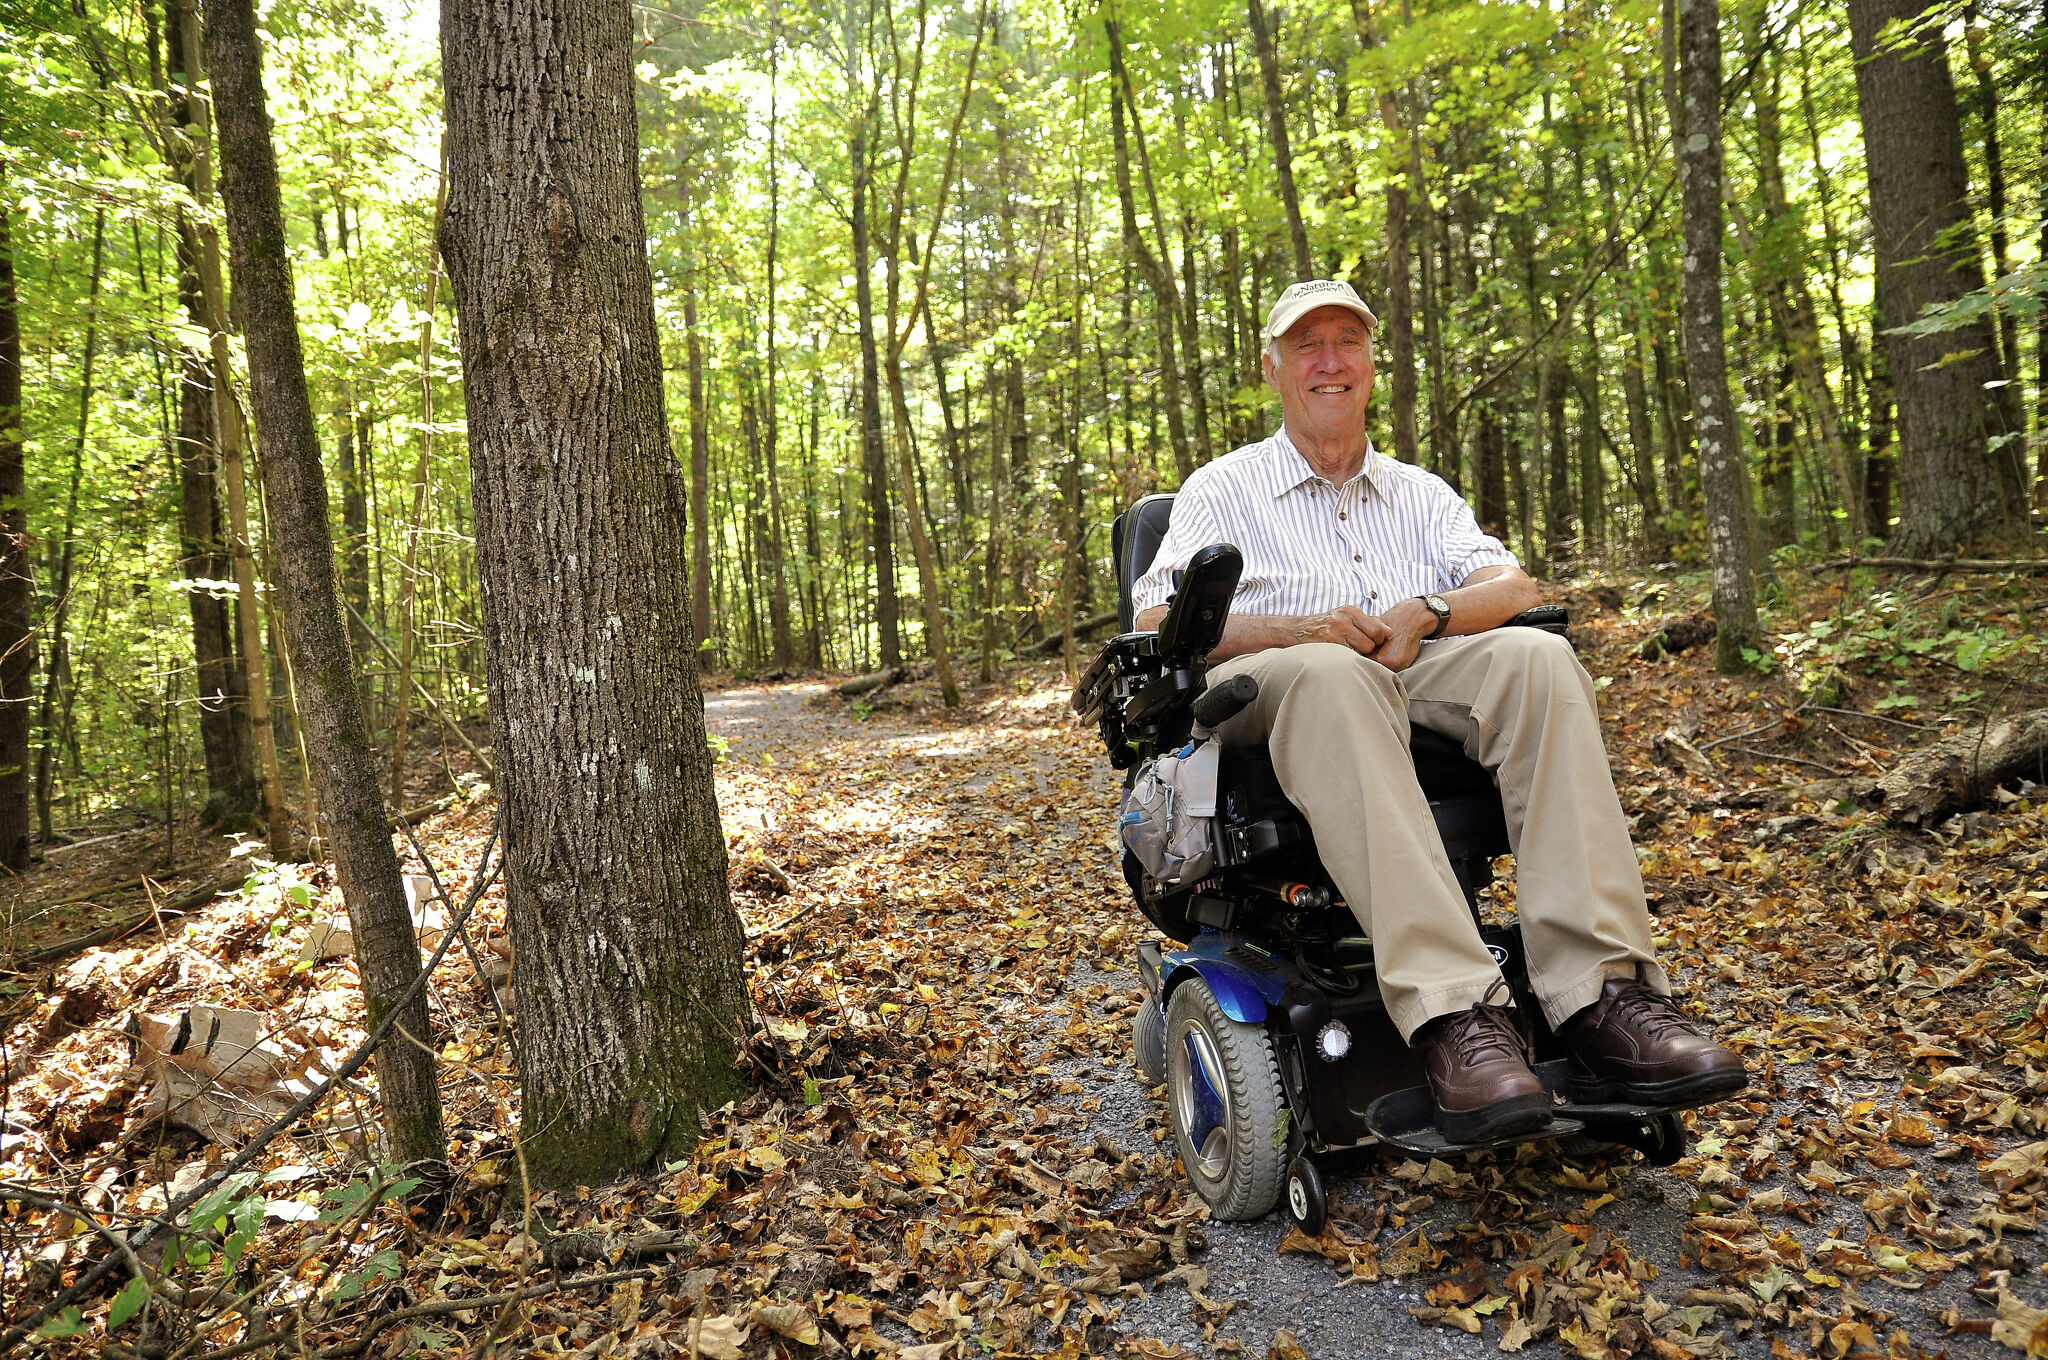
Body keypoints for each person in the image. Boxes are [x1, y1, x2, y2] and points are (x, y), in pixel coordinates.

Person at [1131, 278, 1744, 1143]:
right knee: (1332, 675)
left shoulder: (1418, 493)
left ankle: (1602, 995)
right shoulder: (1222, 488)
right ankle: (1455, 1013)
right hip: (1273, 686)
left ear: (1373, 365)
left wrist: (1432, 611)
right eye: (1308, 346)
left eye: (1348, 342)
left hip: (1410, 666)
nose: (1330, 362)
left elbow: (1515, 585)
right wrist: (1298, 629)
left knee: (1539, 657)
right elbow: (1156, 620)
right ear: (1273, 369)